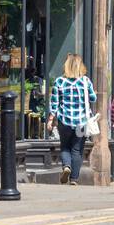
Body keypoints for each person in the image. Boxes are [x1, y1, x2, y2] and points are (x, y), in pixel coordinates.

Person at [47, 53, 97, 186]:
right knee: (76, 149)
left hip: (64, 120)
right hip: (81, 122)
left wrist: (50, 119)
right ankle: (74, 179)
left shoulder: (59, 81)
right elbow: (93, 98)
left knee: (64, 147)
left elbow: (54, 103)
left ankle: (66, 167)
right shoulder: (85, 81)